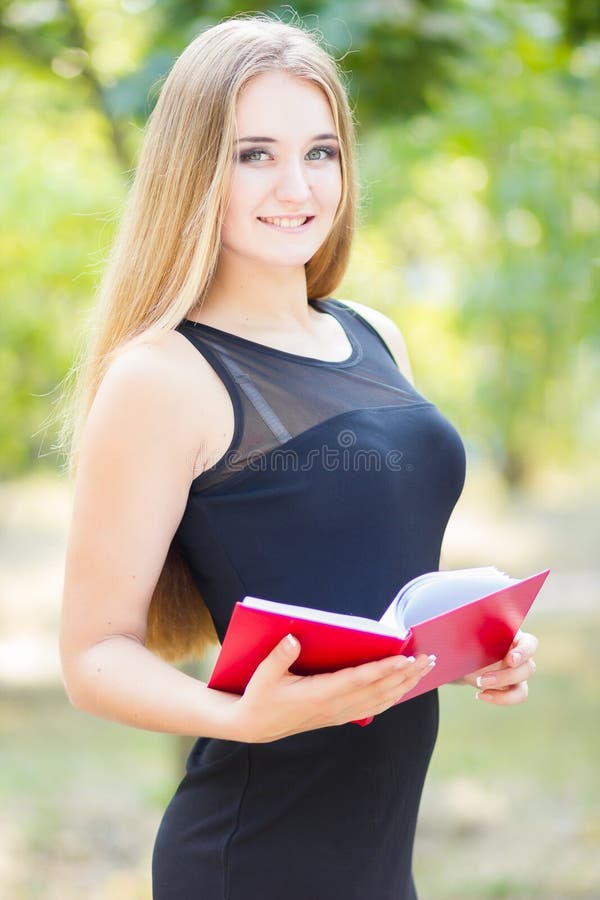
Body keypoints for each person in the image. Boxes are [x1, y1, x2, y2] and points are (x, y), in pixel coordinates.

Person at [59, 14, 538, 900]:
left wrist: (474, 645)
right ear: (194, 169)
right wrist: (243, 717)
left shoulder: (375, 336)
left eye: (321, 153)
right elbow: (93, 654)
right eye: (254, 155)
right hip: (253, 857)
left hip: (380, 853)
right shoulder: (163, 375)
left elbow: (372, 579)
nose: (296, 186)